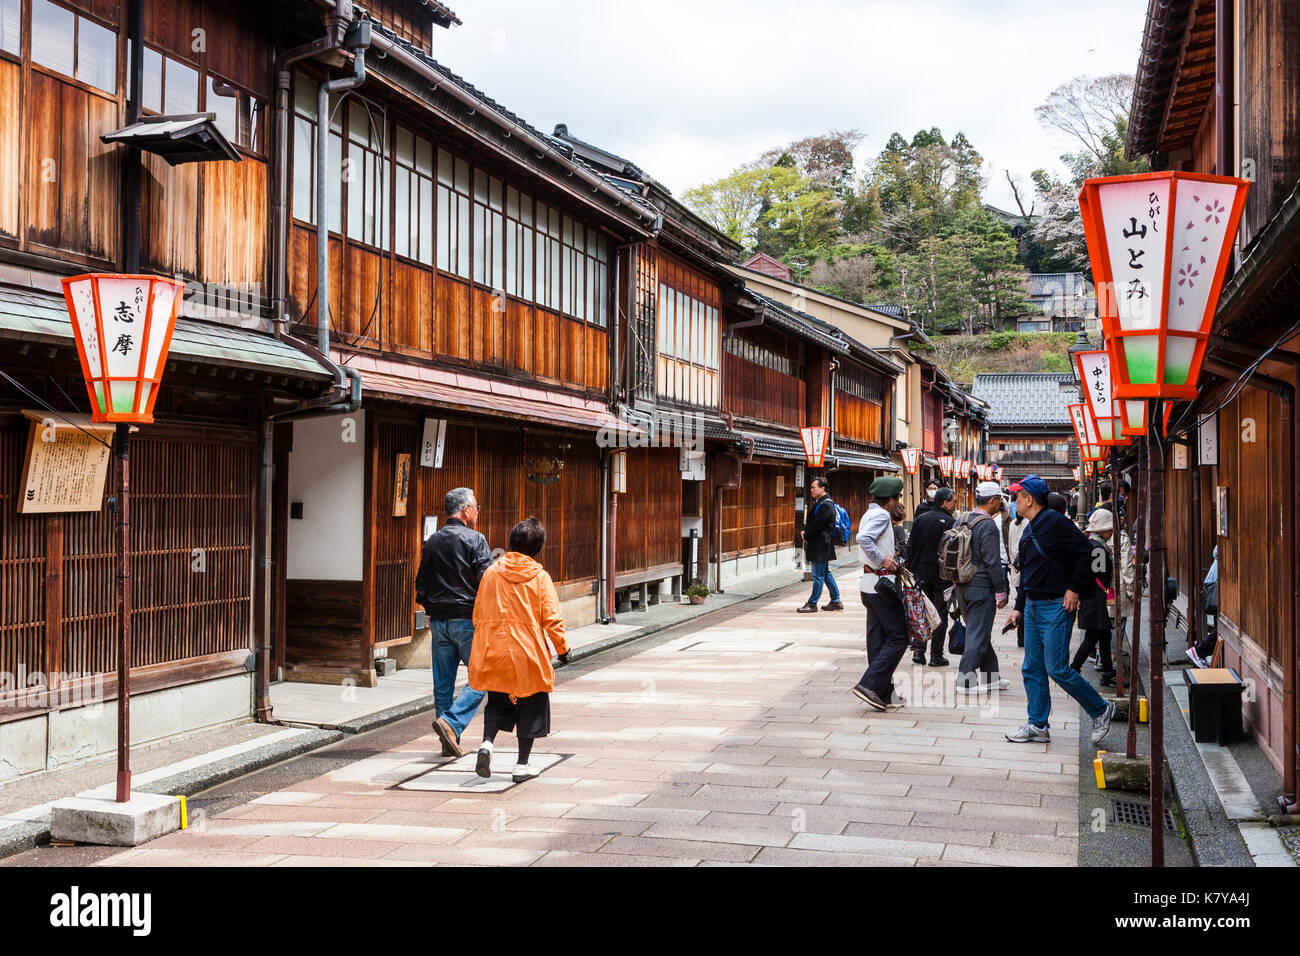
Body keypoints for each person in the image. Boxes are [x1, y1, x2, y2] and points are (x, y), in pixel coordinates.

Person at [1004, 475, 1116, 746]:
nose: (1014, 500)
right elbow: (1028, 572)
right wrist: (1018, 607)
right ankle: (1037, 724)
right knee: (1032, 667)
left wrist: (1074, 588)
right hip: (1032, 606)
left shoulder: (1056, 523)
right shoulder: (1029, 528)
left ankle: (1100, 708)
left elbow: (1085, 553)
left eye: (1017, 496)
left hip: (1056, 605)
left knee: (1057, 668)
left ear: (1029, 499)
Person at [469, 517, 570, 783]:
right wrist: (562, 650)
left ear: (511, 542)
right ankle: (521, 765)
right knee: (532, 705)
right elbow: (552, 619)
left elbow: (478, 614)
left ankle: (487, 744)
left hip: (495, 650)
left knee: (497, 701)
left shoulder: (491, 573)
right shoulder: (539, 577)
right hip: (528, 653)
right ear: (539, 547)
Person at [416, 487, 493, 758]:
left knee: (443, 684)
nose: (477, 512)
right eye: (476, 507)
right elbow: (487, 581)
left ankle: (448, 740)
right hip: (468, 619)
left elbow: (421, 583)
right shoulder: (475, 539)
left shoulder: (432, 541)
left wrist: (428, 609)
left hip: (438, 620)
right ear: (465, 510)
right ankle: (451, 723)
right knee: (483, 676)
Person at [851, 476, 910, 712]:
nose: (899, 503)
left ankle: (883, 692)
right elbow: (863, 538)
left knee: (877, 639)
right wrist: (881, 558)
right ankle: (869, 684)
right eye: (898, 498)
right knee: (898, 636)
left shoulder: (869, 513)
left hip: (869, 585)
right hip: (881, 583)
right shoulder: (882, 515)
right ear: (892, 499)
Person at [955, 481, 1011, 692]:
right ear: (991, 500)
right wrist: (1001, 590)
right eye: (999, 499)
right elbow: (992, 561)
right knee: (977, 635)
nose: (1000, 503)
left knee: (979, 632)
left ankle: (991, 678)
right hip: (981, 586)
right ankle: (965, 681)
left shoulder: (961, 519)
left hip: (961, 584)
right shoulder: (987, 525)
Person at [1069, 509, 1126, 685]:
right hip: (1094, 598)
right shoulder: (1098, 549)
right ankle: (1073, 669)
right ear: (1102, 530)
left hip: (1091, 597)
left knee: (1104, 634)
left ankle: (1108, 671)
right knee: (1092, 636)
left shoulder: (1091, 545)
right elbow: (1099, 575)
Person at [906, 486, 957, 666]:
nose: (954, 506)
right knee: (939, 612)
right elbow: (952, 552)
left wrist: (911, 570)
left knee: (922, 610)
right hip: (941, 575)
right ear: (945, 502)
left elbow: (910, 546)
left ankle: (919, 651)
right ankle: (936, 655)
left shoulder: (920, 519)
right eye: (953, 502)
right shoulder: (951, 522)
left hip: (920, 572)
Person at [798, 477, 843, 612]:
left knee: (818, 575)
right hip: (822, 544)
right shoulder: (822, 503)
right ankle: (836, 601)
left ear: (822, 488)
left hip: (820, 545)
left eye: (814, 487)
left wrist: (806, 533)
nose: (811, 490)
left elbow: (818, 525)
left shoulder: (826, 505)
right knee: (825, 573)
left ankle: (812, 604)